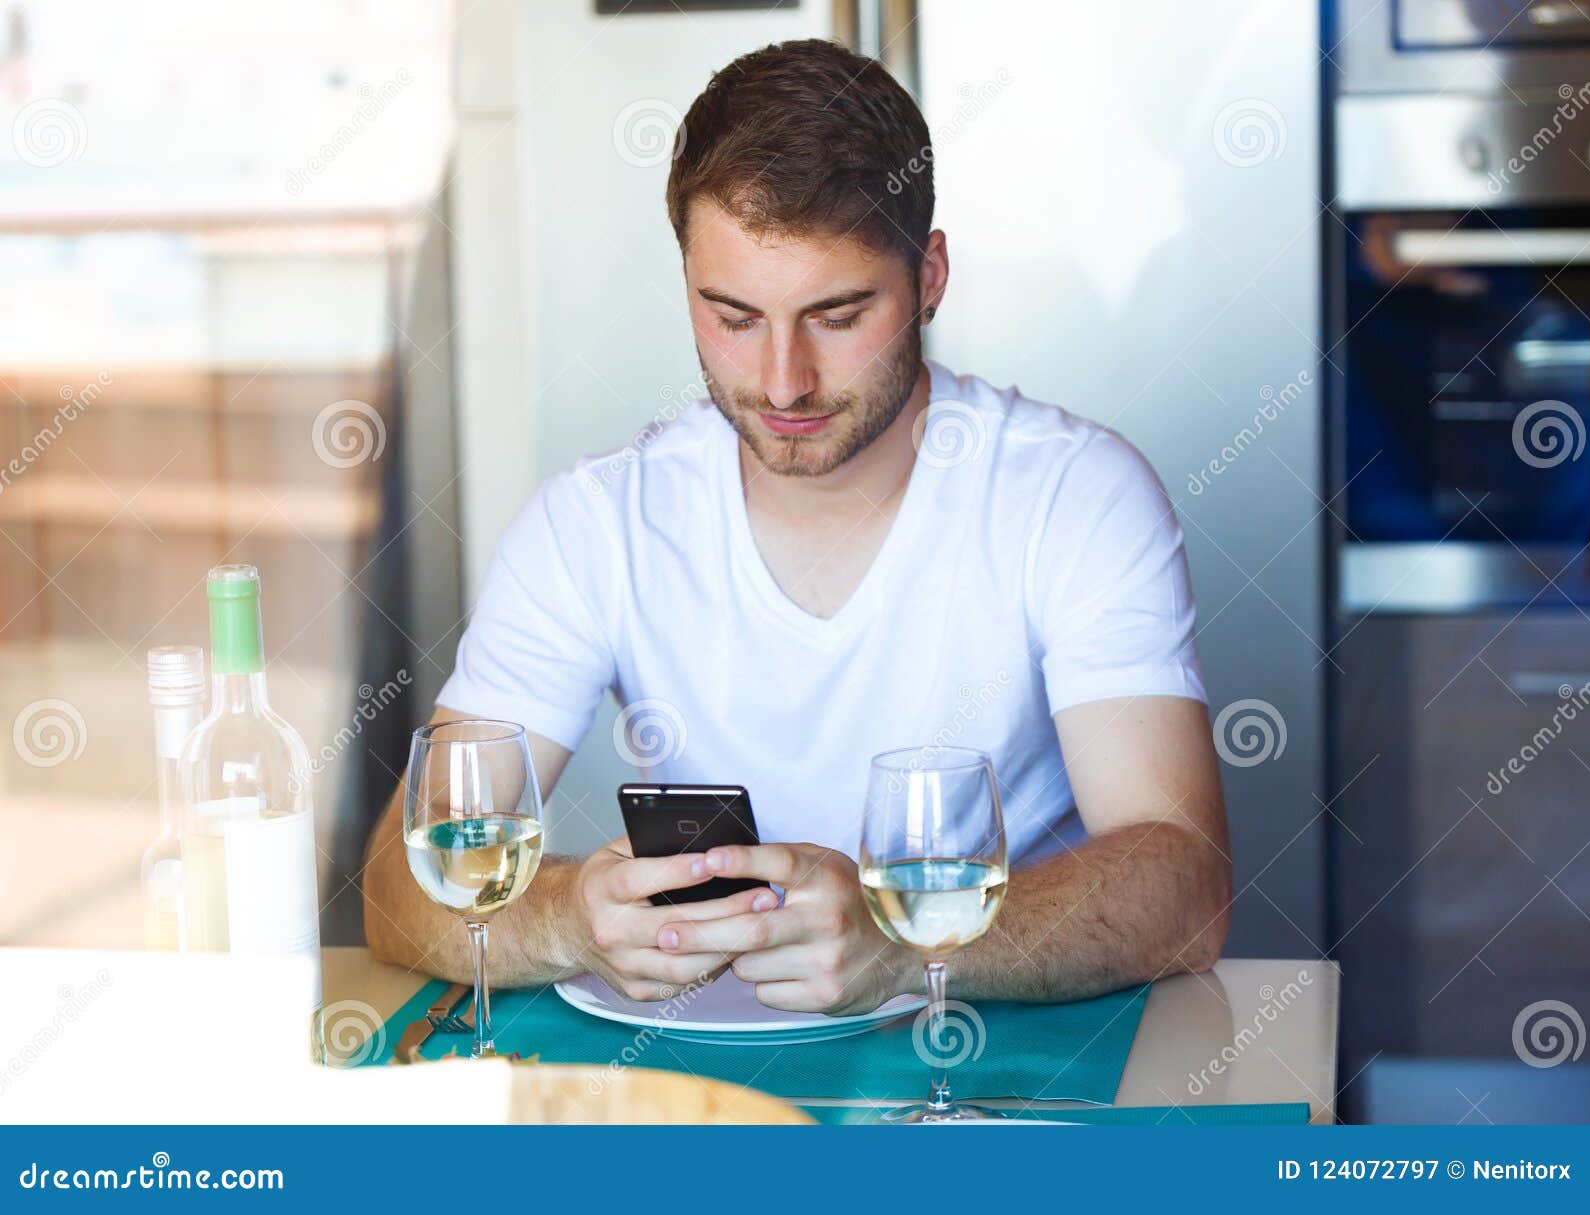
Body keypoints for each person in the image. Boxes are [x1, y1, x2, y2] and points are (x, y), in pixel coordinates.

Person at [363, 37, 1230, 1014]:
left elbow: (1184, 889)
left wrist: (905, 947)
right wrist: (564, 915)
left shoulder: (1075, 497)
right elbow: (399, 889)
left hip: (1008, 1090)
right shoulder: (596, 523)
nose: (783, 382)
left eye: (837, 313)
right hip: (710, 1096)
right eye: (733, 316)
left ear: (929, 277)